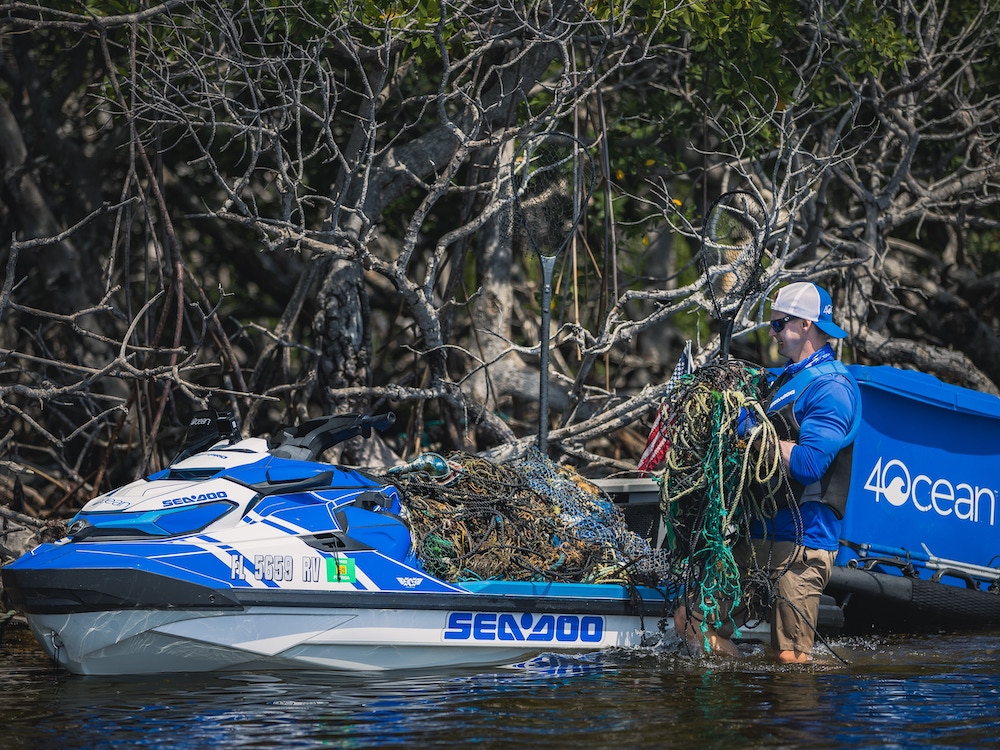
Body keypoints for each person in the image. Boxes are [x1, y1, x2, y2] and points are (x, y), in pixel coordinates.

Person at [674, 281, 862, 663]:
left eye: (778, 324)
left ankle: (787, 711)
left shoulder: (832, 388)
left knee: (790, 660)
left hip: (802, 544)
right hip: (756, 537)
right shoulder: (782, 381)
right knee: (691, 622)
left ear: (806, 324)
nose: (772, 333)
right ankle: (743, 692)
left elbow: (810, 464)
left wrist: (758, 434)